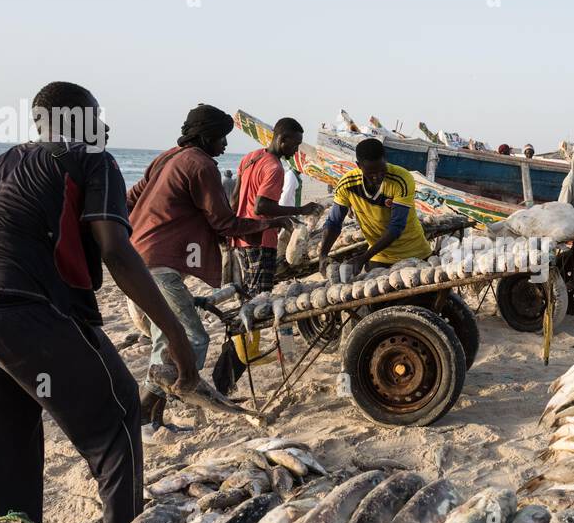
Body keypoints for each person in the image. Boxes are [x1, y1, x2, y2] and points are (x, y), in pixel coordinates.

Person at [0, 81, 199, 523]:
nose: (104, 126)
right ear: (82, 120)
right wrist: (175, 337)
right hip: (20, 306)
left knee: (10, 457)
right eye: (97, 117)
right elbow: (115, 251)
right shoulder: (91, 160)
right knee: (117, 416)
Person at [127, 103, 291, 432]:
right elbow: (223, 222)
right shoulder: (201, 164)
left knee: (164, 338)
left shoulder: (167, 157)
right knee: (192, 338)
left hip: (137, 259)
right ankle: (158, 404)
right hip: (160, 265)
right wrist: (268, 224)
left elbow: (130, 199)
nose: (226, 147)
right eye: (221, 139)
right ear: (205, 138)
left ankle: (148, 418)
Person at [229, 117, 321, 296]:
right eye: (295, 145)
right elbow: (261, 207)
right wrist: (300, 210)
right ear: (282, 139)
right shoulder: (274, 167)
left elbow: (234, 199)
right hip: (261, 239)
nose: (296, 151)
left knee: (247, 291)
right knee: (260, 296)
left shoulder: (250, 157)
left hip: (241, 236)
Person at [318, 137, 433, 275]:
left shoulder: (402, 179)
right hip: (380, 256)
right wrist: (323, 255)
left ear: (385, 159)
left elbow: (396, 227)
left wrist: (363, 257)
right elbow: (334, 223)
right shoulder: (347, 185)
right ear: (359, 165)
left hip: (415, 252)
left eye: (381, 170)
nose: (378, 177)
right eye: (371, 173)